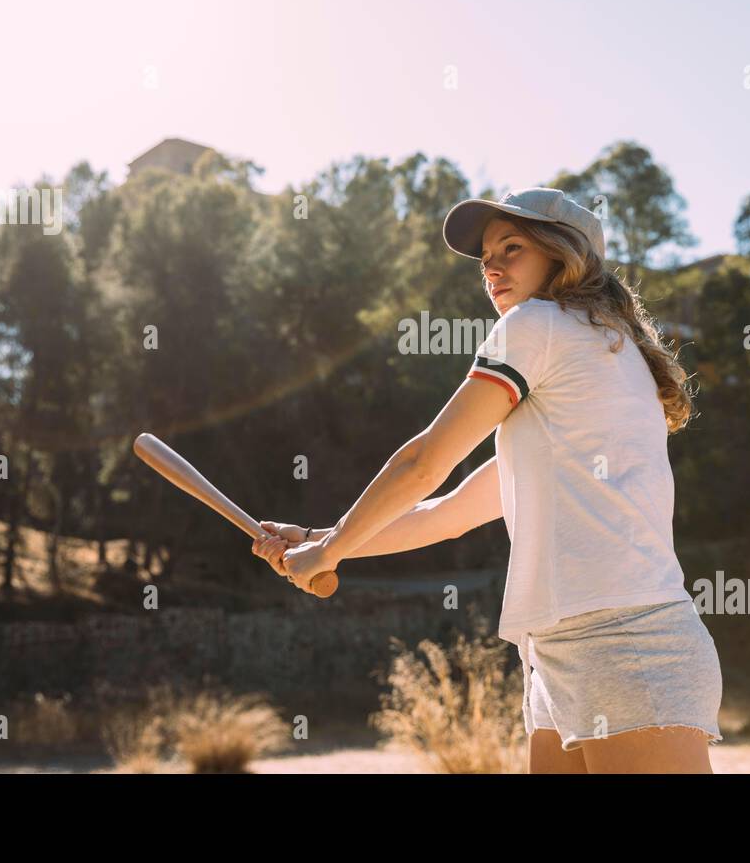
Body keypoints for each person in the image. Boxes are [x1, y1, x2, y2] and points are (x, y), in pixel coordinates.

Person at [254, 187, 723, 773]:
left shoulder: (540, 325)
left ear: (564, 254)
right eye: (485, 259)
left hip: (622, 640)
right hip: (564, 644)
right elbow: (448, 511)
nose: (493, 267)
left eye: (513, 247)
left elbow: (425, 463)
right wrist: (318, 541)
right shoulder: (586, 360)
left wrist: (332, 550)